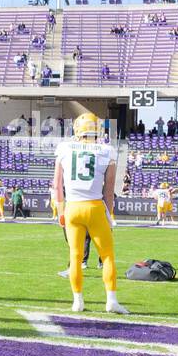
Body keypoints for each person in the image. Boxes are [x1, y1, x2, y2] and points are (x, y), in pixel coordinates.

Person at [52, 112, 127, 313]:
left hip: (73, 207)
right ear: (97, 129)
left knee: (75, 256)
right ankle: (111, 300)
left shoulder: (65, 148)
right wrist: (109, 213)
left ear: (77, 129)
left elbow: (56, 185)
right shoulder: (106, 150)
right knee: (108, 256)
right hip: (94, 206)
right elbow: (109, 188)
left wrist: (60, 210)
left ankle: (78, 301)